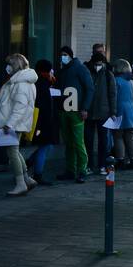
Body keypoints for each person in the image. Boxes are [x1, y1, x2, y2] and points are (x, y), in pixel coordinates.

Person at [0, 53, 40, 196]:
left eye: (10, 64)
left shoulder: (20, 83)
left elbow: (20, 106)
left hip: (13, 123)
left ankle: (20, 183)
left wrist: (9, 124)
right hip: (14, 123)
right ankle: (26, 179)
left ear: (16, 65)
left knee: (12, 152)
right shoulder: (19, 81)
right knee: (14, 151)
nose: (7, 67)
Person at [55, 46, 93, 183]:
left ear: (70, 55)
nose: (63, 57)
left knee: (78, 142)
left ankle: (82, 170)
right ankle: (70, 170)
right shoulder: (62, 71)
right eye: (61, 55)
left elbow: (90, 88)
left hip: (76, 111)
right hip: (64, 110)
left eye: (65, 54)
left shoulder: (80, 68)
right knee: (69, 142)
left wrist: (85, 108)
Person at [26, 59, 59, 187]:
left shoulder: (39, 83)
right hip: (43, 122)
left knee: (45, 146)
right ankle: (37, 174)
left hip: (41, 121)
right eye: (50, 70)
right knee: (45, 147)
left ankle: (28, 163)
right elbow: (45, 106)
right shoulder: (43, 84)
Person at [85, 50, 117, 173]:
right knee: (88, 140)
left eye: (100, 63)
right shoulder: (87, 72)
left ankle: (102, 164)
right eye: (96, 63)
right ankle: (89, 165)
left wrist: (113, 112)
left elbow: (113, 94)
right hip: (90, 111)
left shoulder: (108, 74)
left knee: (103, 141)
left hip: (104, 112)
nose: (98, 65)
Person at [112, 59, 133, 170]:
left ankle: (120, 159)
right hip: (131, 109)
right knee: (129, 135)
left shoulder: (116, 80)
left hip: (120, 108)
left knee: (118, 135)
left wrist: (113, 111)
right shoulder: (130, 80)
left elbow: (114, 96)